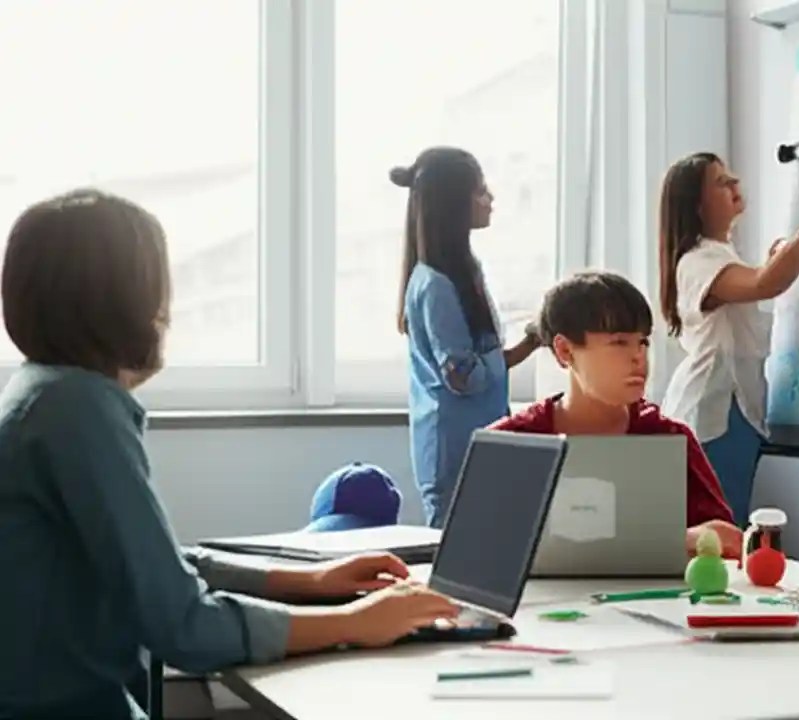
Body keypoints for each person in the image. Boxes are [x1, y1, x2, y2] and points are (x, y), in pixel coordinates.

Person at [0, 189, 458, 720]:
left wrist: (306, 582)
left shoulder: (38, 393)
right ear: (131, 301)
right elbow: (183, 627)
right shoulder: (77, 410)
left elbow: (157, 564)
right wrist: (356, 622)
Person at [492, 271, 743, 557]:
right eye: (619, 342)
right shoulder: (511, 441)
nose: (638, 356)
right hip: (542, 601)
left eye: (643, 342)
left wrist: (684, 539)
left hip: (653, 600)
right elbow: (479, 544)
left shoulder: (669, 438)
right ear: (565, 351)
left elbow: (728, 539)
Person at [658, 152, 799, 524]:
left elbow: (760, 281)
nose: (735, 184)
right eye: (721, 182)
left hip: (733, 411)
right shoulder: (697, 260)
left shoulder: (720, 255)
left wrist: (776, 260)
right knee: (718, 529)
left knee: (728, 523)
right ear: (696, 205)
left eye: (731, 177)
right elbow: (765, 284)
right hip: (713, 412)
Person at [391, 147, 541, 527]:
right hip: (453, 448)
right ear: (454, 204)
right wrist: (527, 344)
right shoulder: (437, 285)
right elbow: (463, 376)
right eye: (481, 192)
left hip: (475, 438)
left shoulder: (461, 272)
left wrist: (528, 343)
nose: (490, 200)